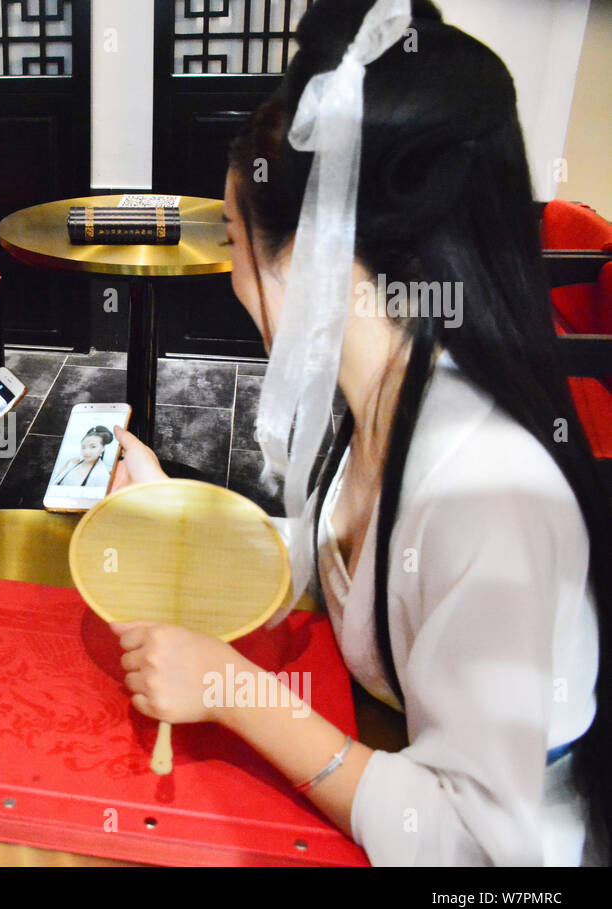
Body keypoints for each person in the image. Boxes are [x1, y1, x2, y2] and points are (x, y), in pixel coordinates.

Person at [108, 0, 610, 865]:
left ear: (318, 250)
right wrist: (174, 515)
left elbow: (475, 850)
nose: (230, 271)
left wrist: (232, 691)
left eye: (233, 238)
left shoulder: (485, 486)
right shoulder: (375, 393)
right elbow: (333, 561)